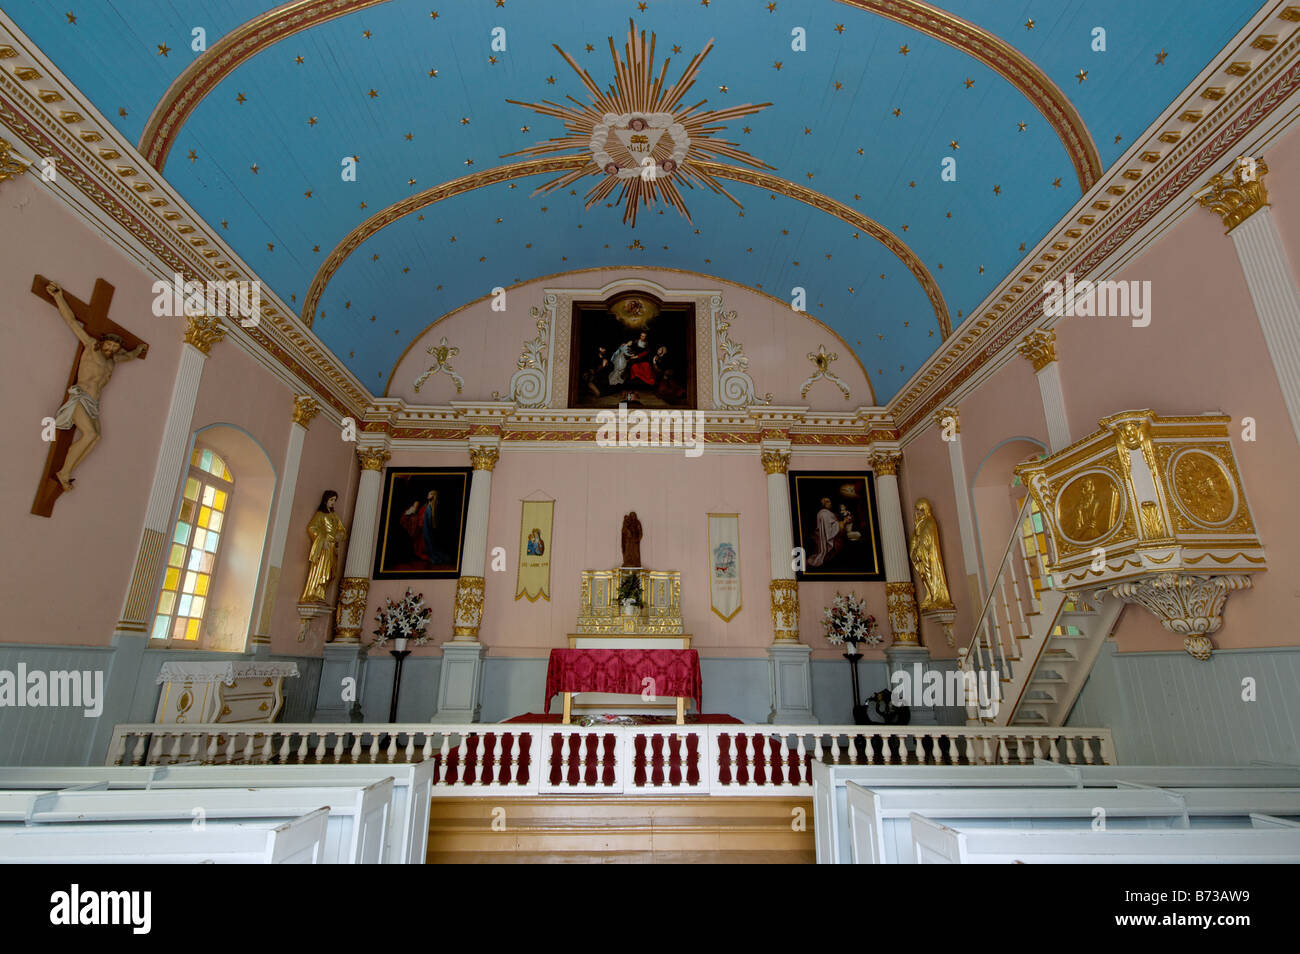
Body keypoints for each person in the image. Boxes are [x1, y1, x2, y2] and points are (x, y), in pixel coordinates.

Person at [46, 282, 146, 490]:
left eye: (115, 346)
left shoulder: (113, 360)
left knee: (96, 437)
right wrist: (58, 297)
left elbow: (130, 356)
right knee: (90, 434)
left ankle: (67, 472)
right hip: (81, 397)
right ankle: (63, 472)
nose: (111, 348)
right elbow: (72, 321)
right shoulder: (92, 348)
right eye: (109, 344)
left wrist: (139, 349)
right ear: (103, 342)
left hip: (93, 402)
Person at [301, 490, 346, 603]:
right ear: (326, 500)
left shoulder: (334, 516)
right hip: (324, 547)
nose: (333, 502)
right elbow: (311, 528)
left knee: (331, 573)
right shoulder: (320, 514)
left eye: (334, 500)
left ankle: (321, 594)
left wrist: (340, 534)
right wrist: (323, 538)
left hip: (332, 547)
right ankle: (313, 593)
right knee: (322, 570)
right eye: (331, 500)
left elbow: (342, 529)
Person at [909, 498, 954, 611]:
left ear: (926, 510)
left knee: (931, 575)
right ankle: (931, 595)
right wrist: (914, 551)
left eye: (921, 510)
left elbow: (926, 539)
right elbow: (915, 539)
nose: (919, 513)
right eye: (917, 510)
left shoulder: (929, 522)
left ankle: (938, 597)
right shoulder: (919, 523)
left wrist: (919, 550)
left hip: (928, 555)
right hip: (920, 556)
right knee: (925, 576)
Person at [401, 489, 449, 567]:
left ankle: (434, 557)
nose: (428, 495)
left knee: (428, 546)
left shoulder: (429, 508)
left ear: (433, 496)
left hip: (425, 530)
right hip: (423, 529)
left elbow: (426, 520)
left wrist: (419, 523)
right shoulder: (427, 506)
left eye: (430, 494)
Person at [807, 496, 842, 567]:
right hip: (826, 538)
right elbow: (827, 529)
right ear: (824, 504)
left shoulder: (825, 513)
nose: (830, 503)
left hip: (824, 537)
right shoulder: (824, 514)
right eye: (828, 502)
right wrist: (839, 523)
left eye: (830, 501)